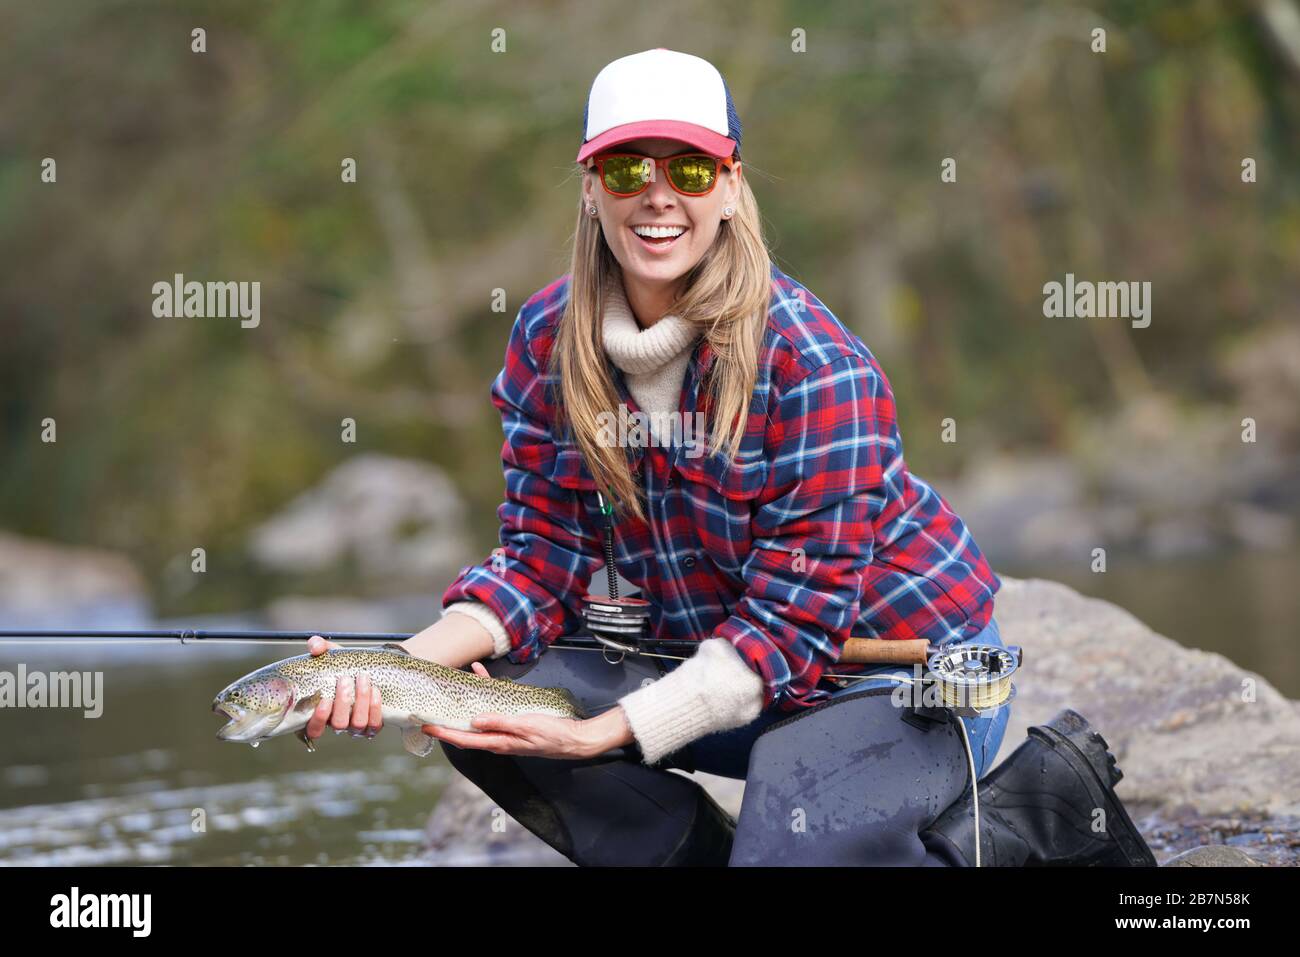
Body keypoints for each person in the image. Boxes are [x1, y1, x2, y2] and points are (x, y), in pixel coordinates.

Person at [303, 48, 1157, 867]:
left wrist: (605, 731)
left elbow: (793, 625)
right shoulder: (545, 340)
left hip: (896, 681)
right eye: (629, 170)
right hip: (715, 669)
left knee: (790, 821)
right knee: (486, 711)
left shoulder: (814, 364)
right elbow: (542, 560)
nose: (658, 197)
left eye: (691, 170)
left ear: (732, 184)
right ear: (592, 188)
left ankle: (1032, 835)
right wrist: (397, 671)